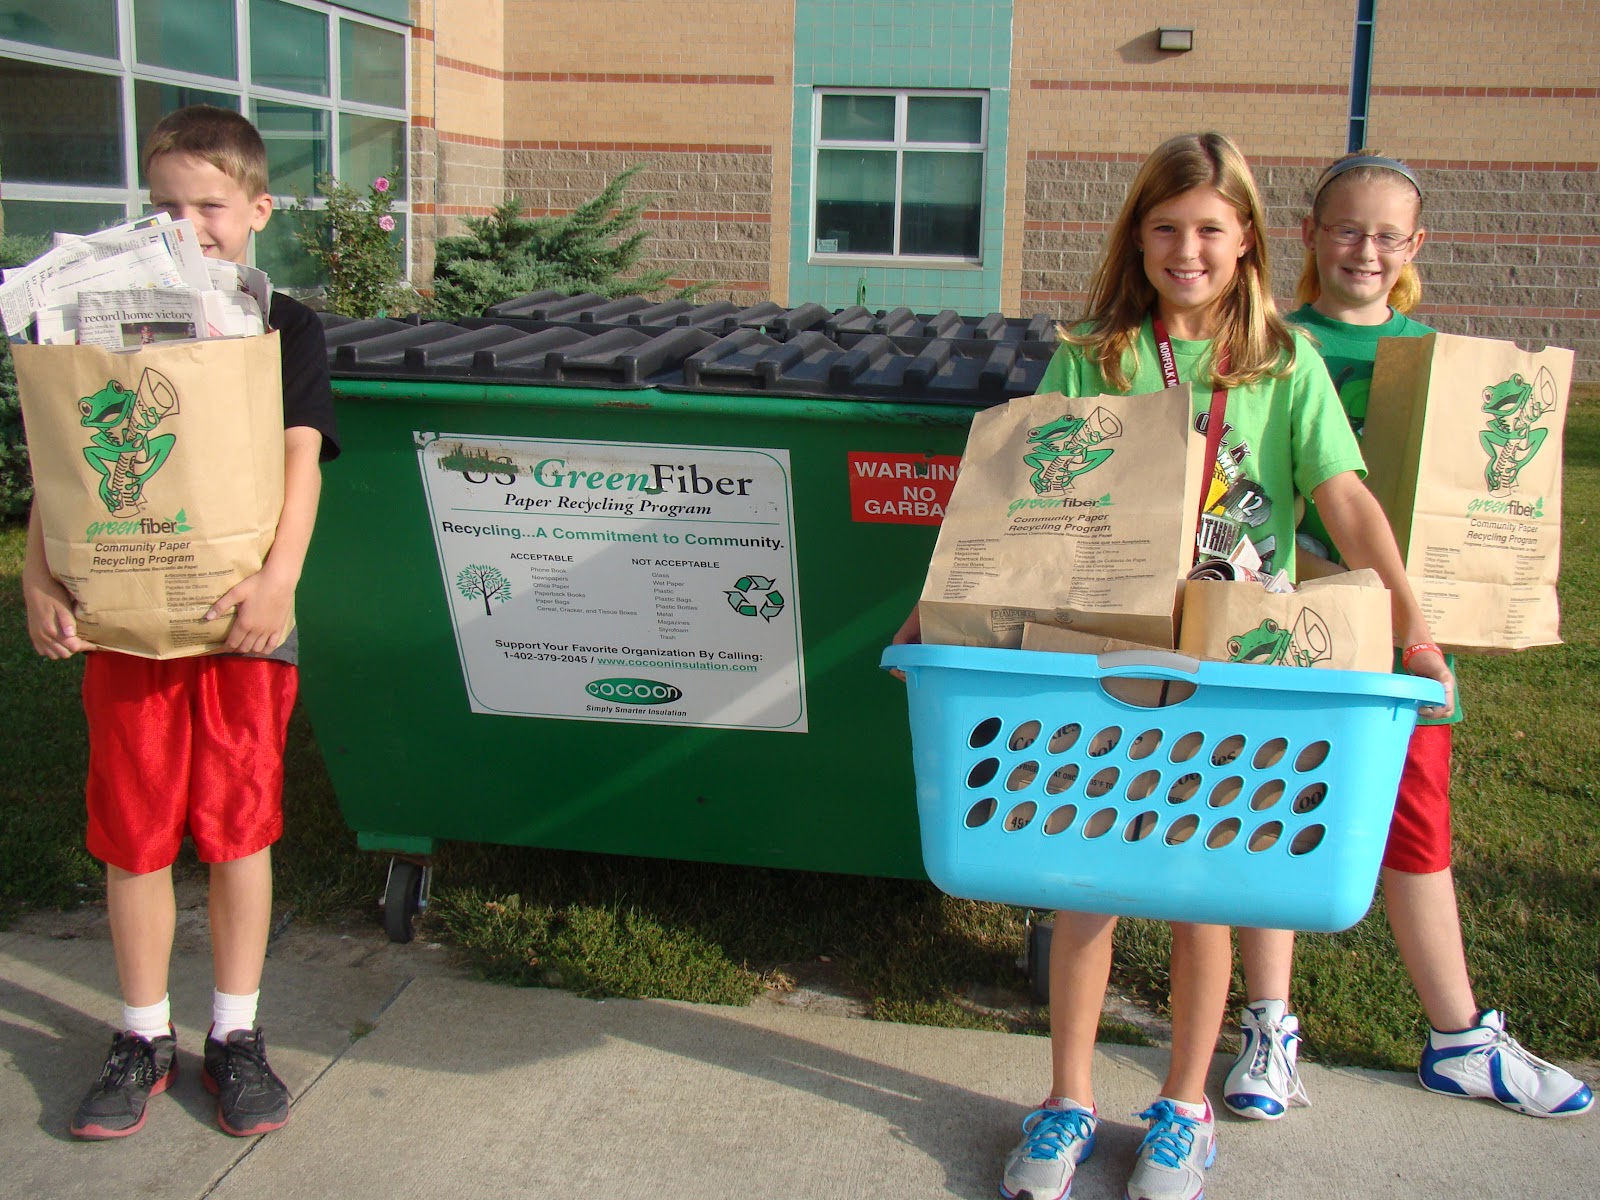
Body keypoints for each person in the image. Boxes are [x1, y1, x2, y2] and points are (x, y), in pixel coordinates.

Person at [896, 131, 1454, 1200]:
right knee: (1084, 878)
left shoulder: (1282, 365)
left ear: (1246, 239)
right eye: (1164, 228)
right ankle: (1065, 1100)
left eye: (1208, 228)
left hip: (1237, 664)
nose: (1185, 249)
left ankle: (1184, 1109)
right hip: (1100, 653)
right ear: (1136, 239)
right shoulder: (1091, 358)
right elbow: (1014, 508)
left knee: (1207, 885)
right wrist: (932, 612)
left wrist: (1411, 625)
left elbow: (1343, 501)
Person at [1222, 152, 1594, 1124]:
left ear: (1414, 248)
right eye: (1347, 228)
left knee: (1416, 833)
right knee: (1275, 817)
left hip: (1404, 644)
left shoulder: (1444, 365)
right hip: (1288, 632)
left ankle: (1459, 1036)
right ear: (1309, 234)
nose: (1365, 250)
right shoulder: (1267, 347)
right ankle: (1268, 1024)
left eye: (1387, 235)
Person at [21, 104, 341, 1140]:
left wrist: (278, 580)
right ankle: (140, 1032)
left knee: (239, 828)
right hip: (124, 625)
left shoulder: (283, 324)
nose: (187, 223)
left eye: (209, 204)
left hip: (239, 618)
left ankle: (236, 1035)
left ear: (257, 209)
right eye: (164, 204)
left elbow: (300, 455)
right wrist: (38, 576)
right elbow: (66, 466)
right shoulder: (91, 324)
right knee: (136, 833)